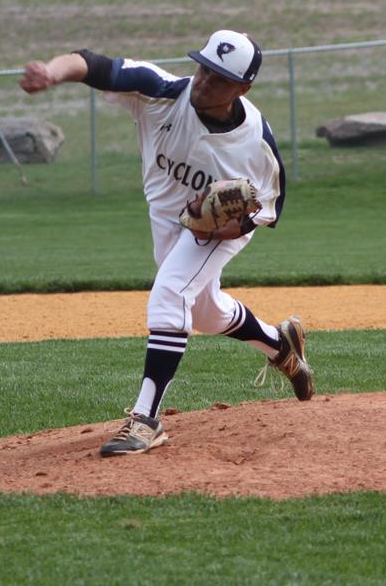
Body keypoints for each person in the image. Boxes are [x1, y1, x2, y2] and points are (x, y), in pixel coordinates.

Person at [19, 29, 314, 457]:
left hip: (216, 232)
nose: (204, 82)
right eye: (203, 68)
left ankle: (145, 420)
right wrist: (51, 72)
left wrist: (219, 228)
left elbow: (265, 212)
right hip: (166, 220)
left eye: (219, 78)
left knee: (169, 296)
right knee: (206, 313)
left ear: (243, 88)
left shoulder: (256, 145)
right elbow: (93, 64)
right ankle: (279, 344)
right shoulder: (161, 91)